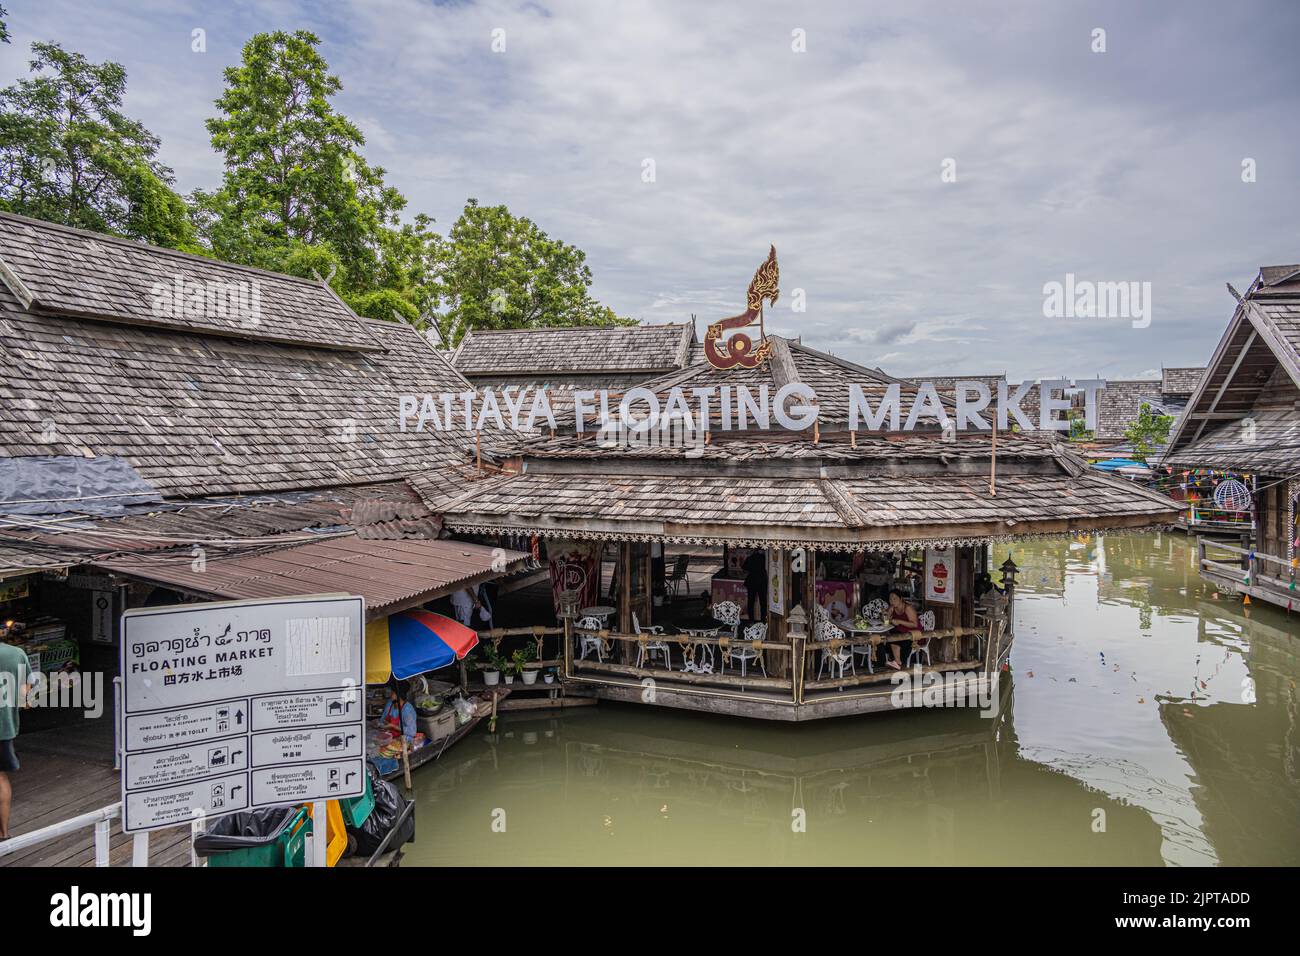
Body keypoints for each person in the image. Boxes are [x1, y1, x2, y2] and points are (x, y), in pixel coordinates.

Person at [0, 642, 32, 840]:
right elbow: (25, 691)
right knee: (0, 777)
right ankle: (3, 832)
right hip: (5, 728)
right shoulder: (16, 653)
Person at [886, 588, 921, 671]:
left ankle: (897, 662)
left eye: (895, 599)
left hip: (913, 633)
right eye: (890, 599)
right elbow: (886, 620)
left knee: (894, 637)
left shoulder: (908, 608)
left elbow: (915, 624)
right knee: (888, 638)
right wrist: (886, 614)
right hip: (900, 631)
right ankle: (896, 661)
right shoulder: (892, 607)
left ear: (901, 599)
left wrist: (899, 621)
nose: (892, 601)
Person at [380, 678, 418, 743]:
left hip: (402, 740)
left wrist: (393, 726)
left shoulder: (407, 709)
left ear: (398, 695)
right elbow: (382, 720)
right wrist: (383, 725)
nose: (391, 694)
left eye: (392, 692)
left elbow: (412, 732)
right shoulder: (390, 703)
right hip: (389, 737)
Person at [742, 549, 767, 623]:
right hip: (762, 582)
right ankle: (763, 620)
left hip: (752, 581)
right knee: (763, 603)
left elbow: (744, 568)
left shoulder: (750, 558)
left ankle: (751, 620)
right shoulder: (764, 558)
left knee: (751, 602)